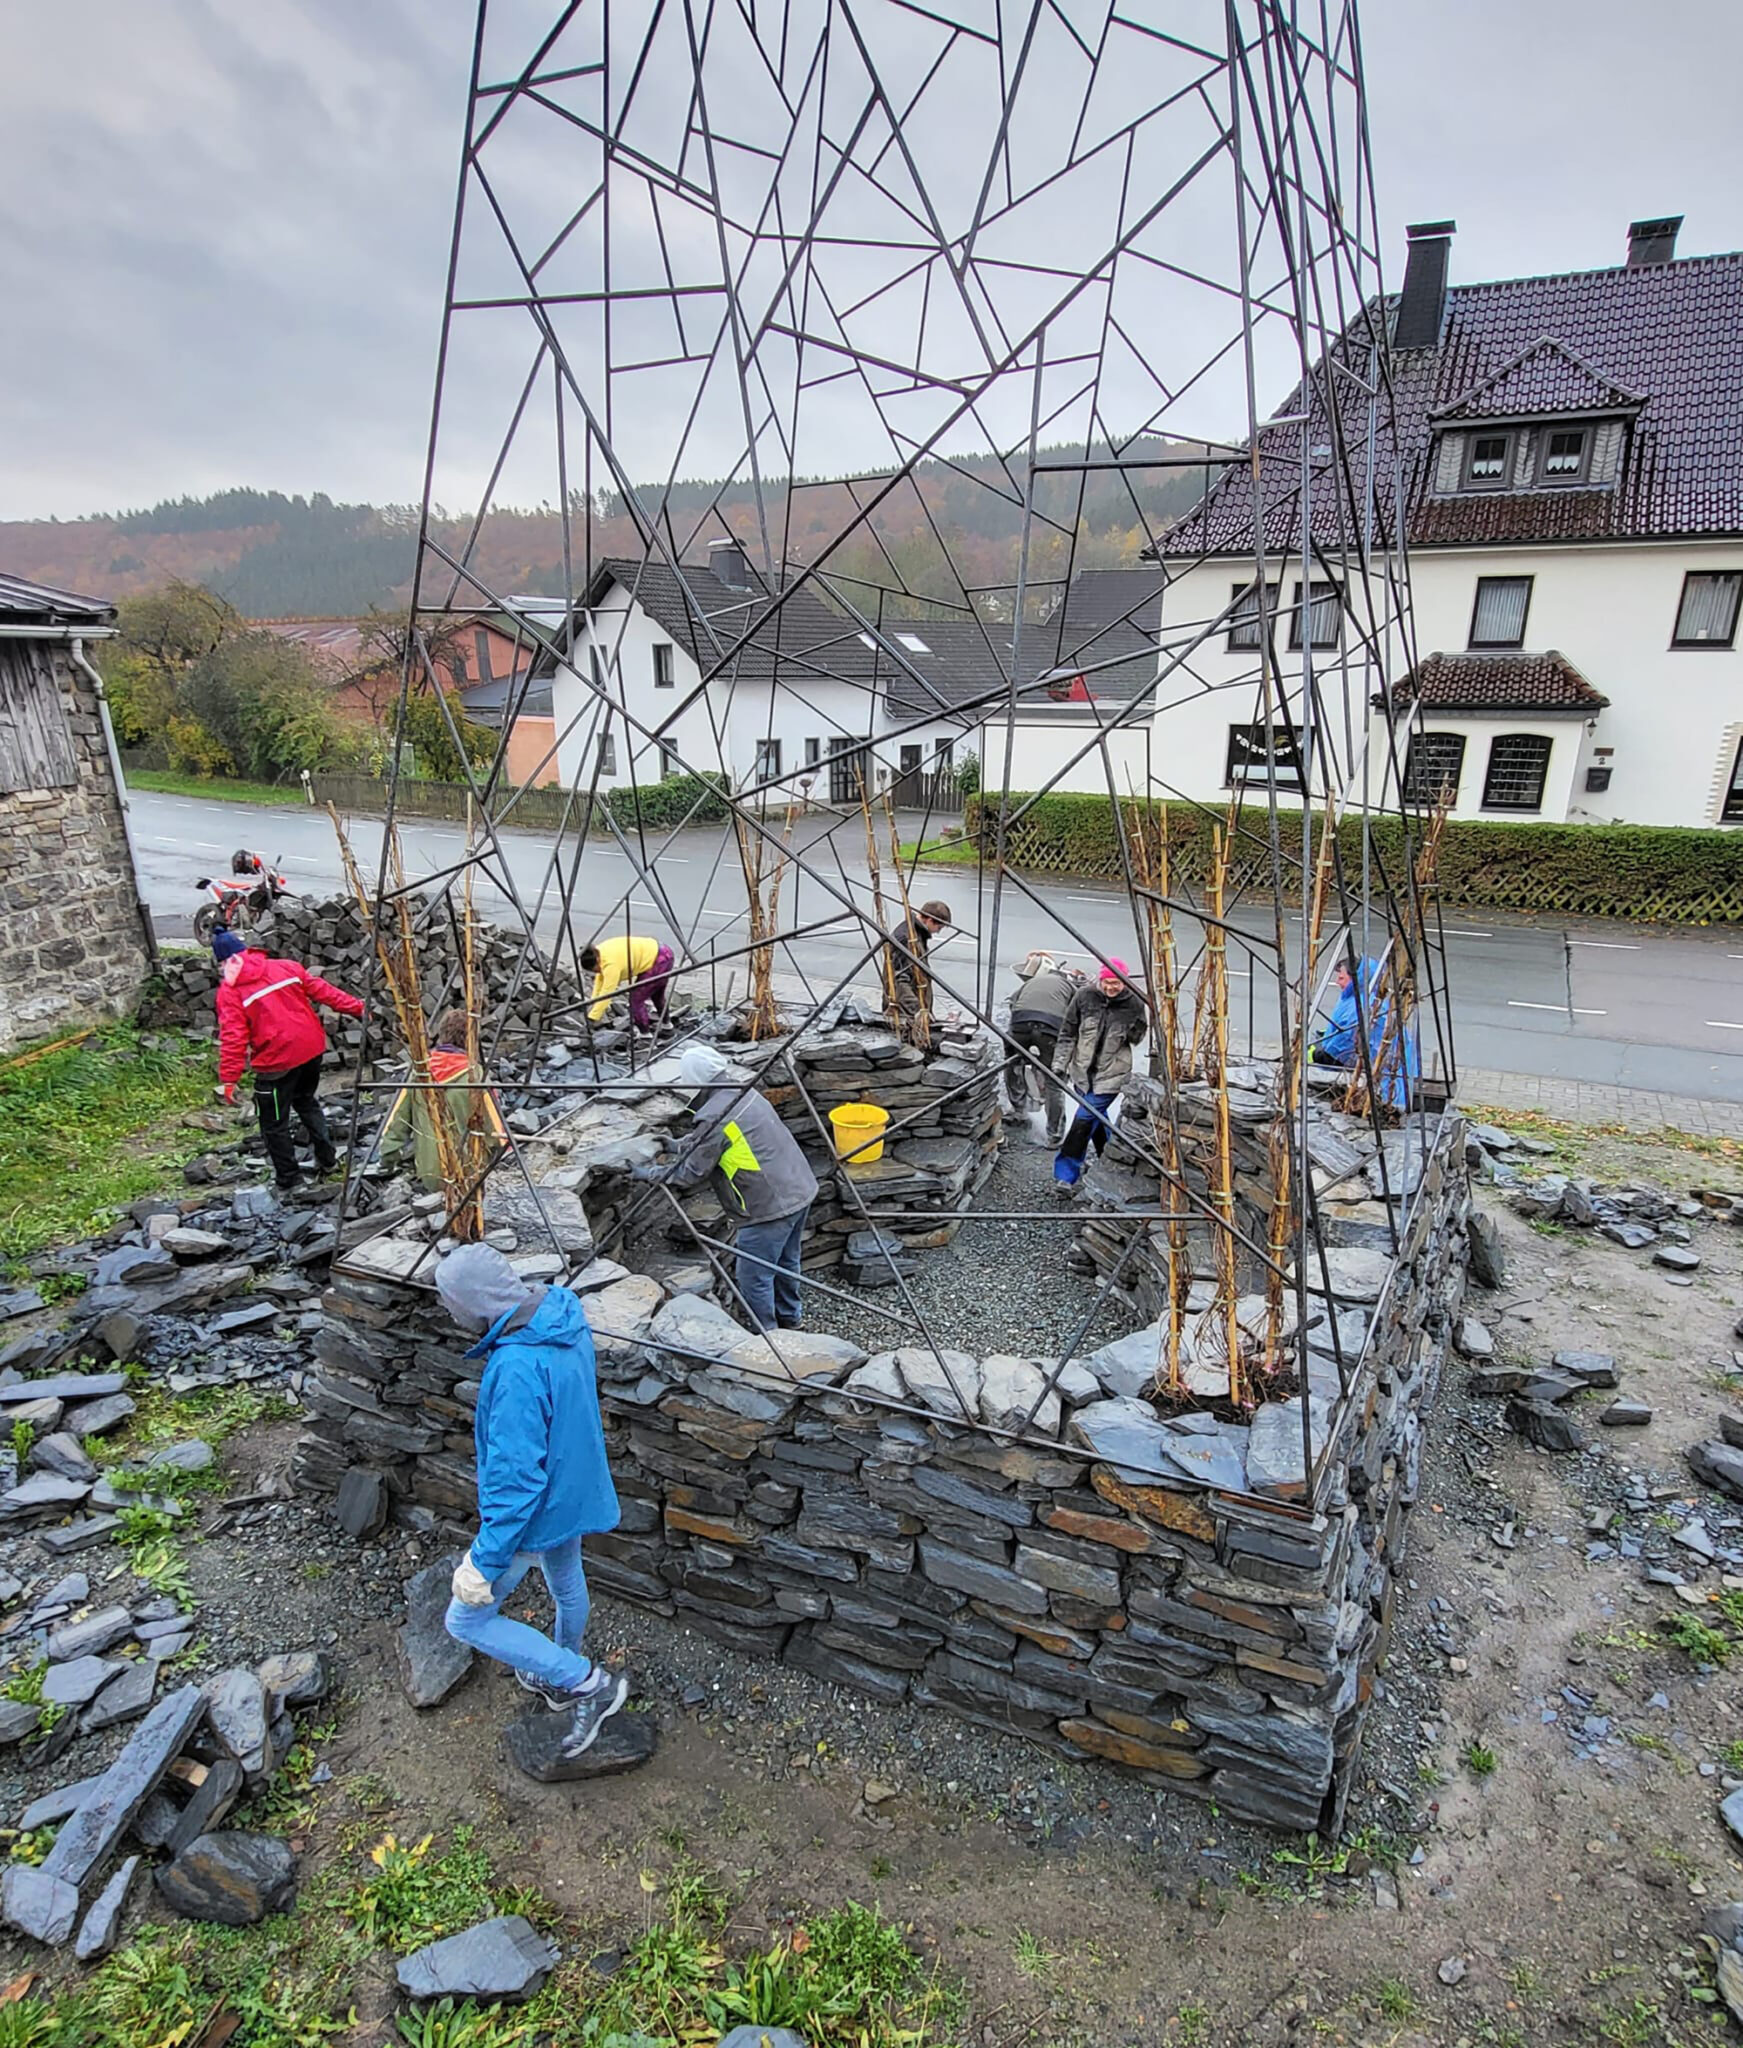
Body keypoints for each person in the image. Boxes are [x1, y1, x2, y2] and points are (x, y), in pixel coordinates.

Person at [437, 1242, 628, 1758]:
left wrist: (484, 1561)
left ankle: (587, 1683)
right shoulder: (560, 1312)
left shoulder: (516, 1366)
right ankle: (559, 1671)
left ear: (472, 1304)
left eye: (451, 1305)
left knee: (466, 1620)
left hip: (537, 1509)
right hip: (573, 1490)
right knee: (565, 1581)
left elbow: (515, 1481)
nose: (451, 1315)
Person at [633, 1043, 820, 1331]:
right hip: (799, 1188)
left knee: (754, 1275)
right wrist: (678, 1144)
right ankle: (791, 1320)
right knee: (786, 1262)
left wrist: (649, 1173)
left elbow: (691, 1172)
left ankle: (769, 1338)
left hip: (767, 1207)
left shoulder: (715, 1115)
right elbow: (716, 1141)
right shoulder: (745, 1094)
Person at [213, 931, 365, 1191]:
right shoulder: (286, 967)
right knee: (306, 1101)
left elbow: (234, 1037)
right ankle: (328, 1160)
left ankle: (290, 1180)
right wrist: (357, 1007)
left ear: (223, 962)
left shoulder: (230, 992)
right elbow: (324, 991)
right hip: (311, 1050)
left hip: (276, 1063)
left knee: (273, 1124)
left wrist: (229, 1079)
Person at [378, 1006, 506, 1191]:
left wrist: (387, 1162)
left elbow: (396, 1123)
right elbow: (496, 1130)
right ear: (471, 1039)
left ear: (442, 1034)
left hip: (430, 1173)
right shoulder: (475, 1075)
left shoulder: (419, 1071)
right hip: (469, 1171)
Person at [1052, 956, 1148, 1190]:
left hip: (1112, 1075)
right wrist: (1059, 1064)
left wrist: (1137, 1028)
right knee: (1094, 1117)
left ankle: (1065, 1174)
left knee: (1083, 1120)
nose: (1110, 987)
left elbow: (1137, 1038)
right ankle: (1108, 1157)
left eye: (1116, 983)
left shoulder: (1134, 1003)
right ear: (1100, 979)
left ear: (1124, 982)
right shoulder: (1084, 997)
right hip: (1082, 1073)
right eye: (1107, 982)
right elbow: (1068, 1032)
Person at [1004, 950, 1081, 1143]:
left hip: (1020, 1022)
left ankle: (1018, 1110)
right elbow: (1075, 1021)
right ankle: (1054, 1135)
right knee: (1054, 1081)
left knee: (1013, 1064)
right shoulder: (1071, 988)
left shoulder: (1031, 982)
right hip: (1050, 1027)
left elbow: (1012, 1004)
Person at [885, 899, 952, 1041]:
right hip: (905, 1013)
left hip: (914, 1008)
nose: (938, 932)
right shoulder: (906, 938)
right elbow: (900, 981)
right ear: (929, 920)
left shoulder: (918, 934)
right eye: (939, 927)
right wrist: (918, 1012)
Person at [582, 935, 674, 1033]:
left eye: (595, 970)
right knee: (656, 995)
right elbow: (600, 981)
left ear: (596, 962)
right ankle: (667, 1026)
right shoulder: (598, 952)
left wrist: (592, 1018)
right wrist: (593, 1002)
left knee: (635, 1000)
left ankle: (645, 1036)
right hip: (661, 951)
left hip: (659, 960)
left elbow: (607, 993)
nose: (597, 973)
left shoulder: (611, 965)